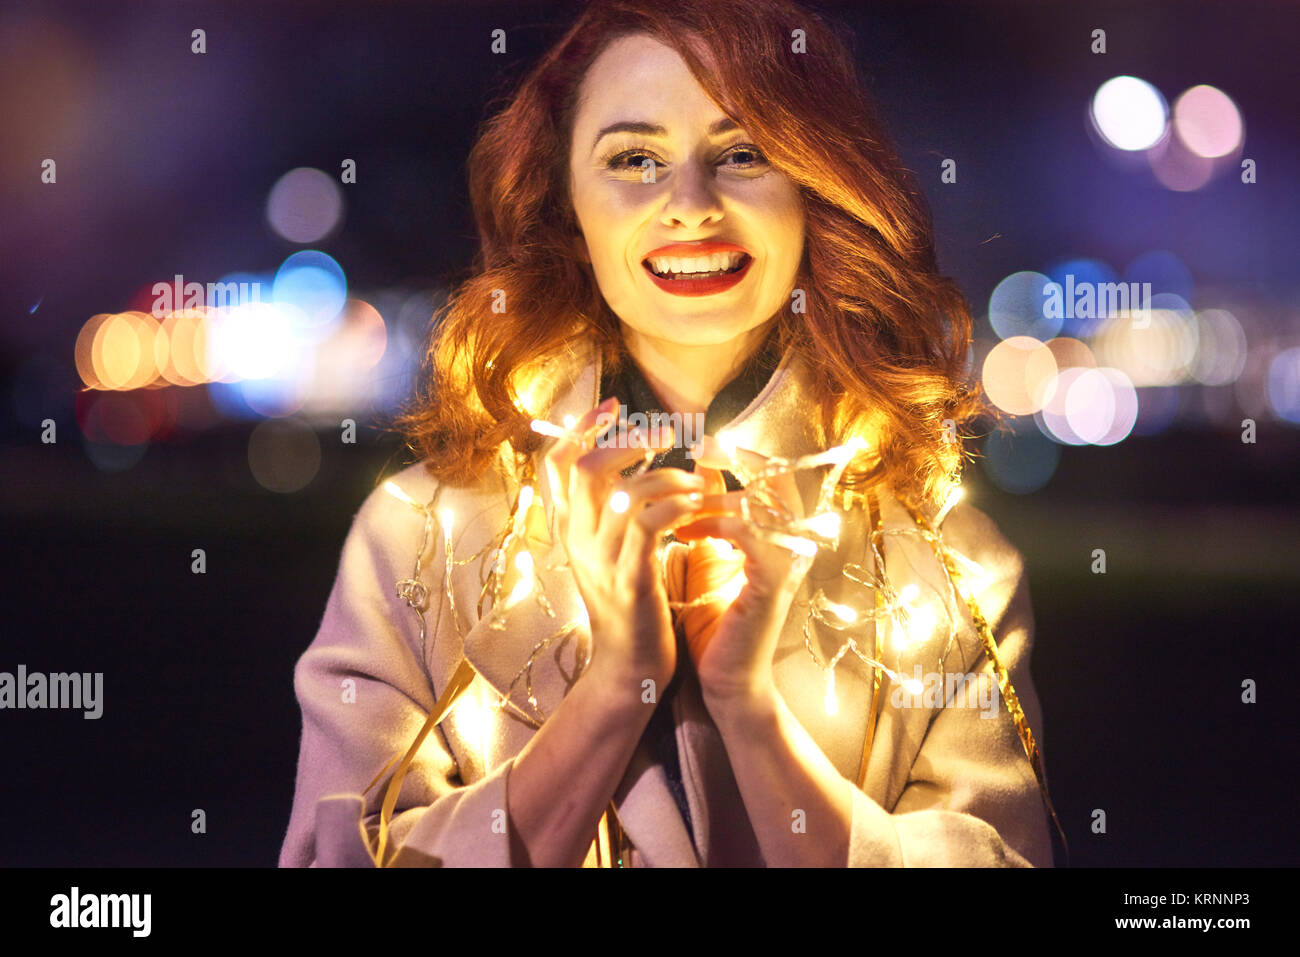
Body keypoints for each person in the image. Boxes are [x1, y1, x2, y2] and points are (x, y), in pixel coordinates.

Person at [279, 0, 1056, 868]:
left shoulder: (947, 563)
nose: (690, 204)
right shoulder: (418, 538)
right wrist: (614, 688)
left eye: (744, 154)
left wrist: (749, 709)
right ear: (566, 204)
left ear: (814, 188)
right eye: (634, 158)